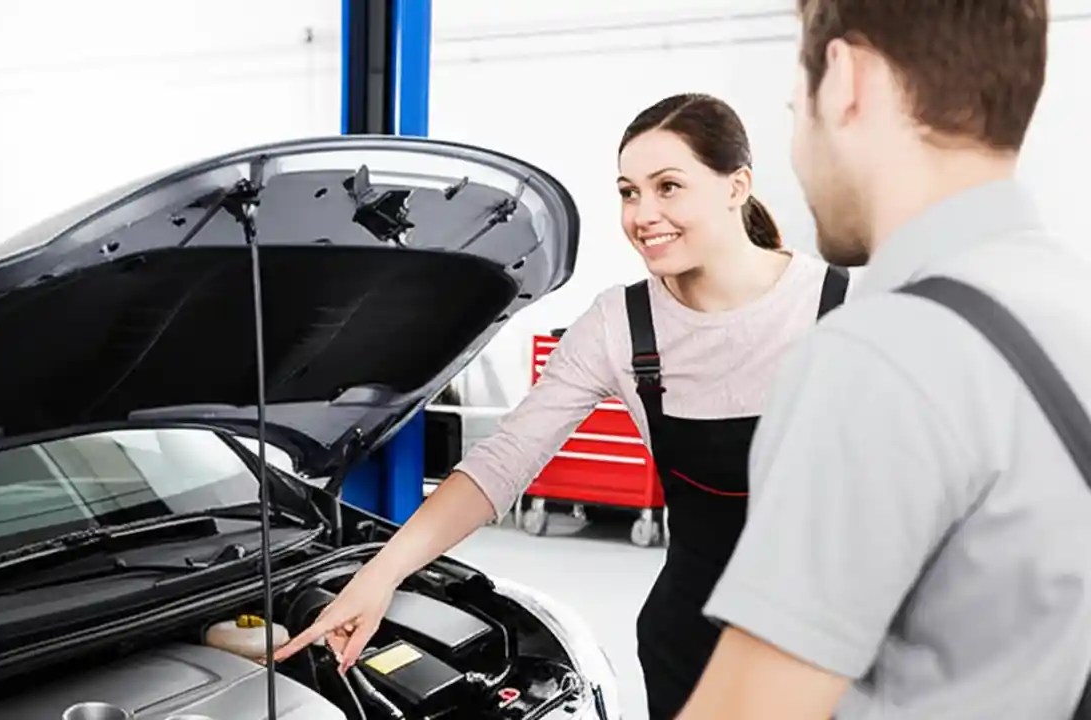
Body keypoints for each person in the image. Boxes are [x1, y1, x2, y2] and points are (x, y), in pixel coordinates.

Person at [274, 92, 851, 718]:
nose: (643, 214)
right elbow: (503, 461)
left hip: (832, 642)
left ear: (736, 185)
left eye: (668, 187)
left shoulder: (843, 305)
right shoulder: (621, 326)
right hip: (692, 643)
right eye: (629, 192)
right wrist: (380, 576)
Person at [676, 2, 1091, 719]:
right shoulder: (1067, 301)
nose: (799, 151)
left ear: (844, 80)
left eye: (794, 111)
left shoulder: (880, 355)